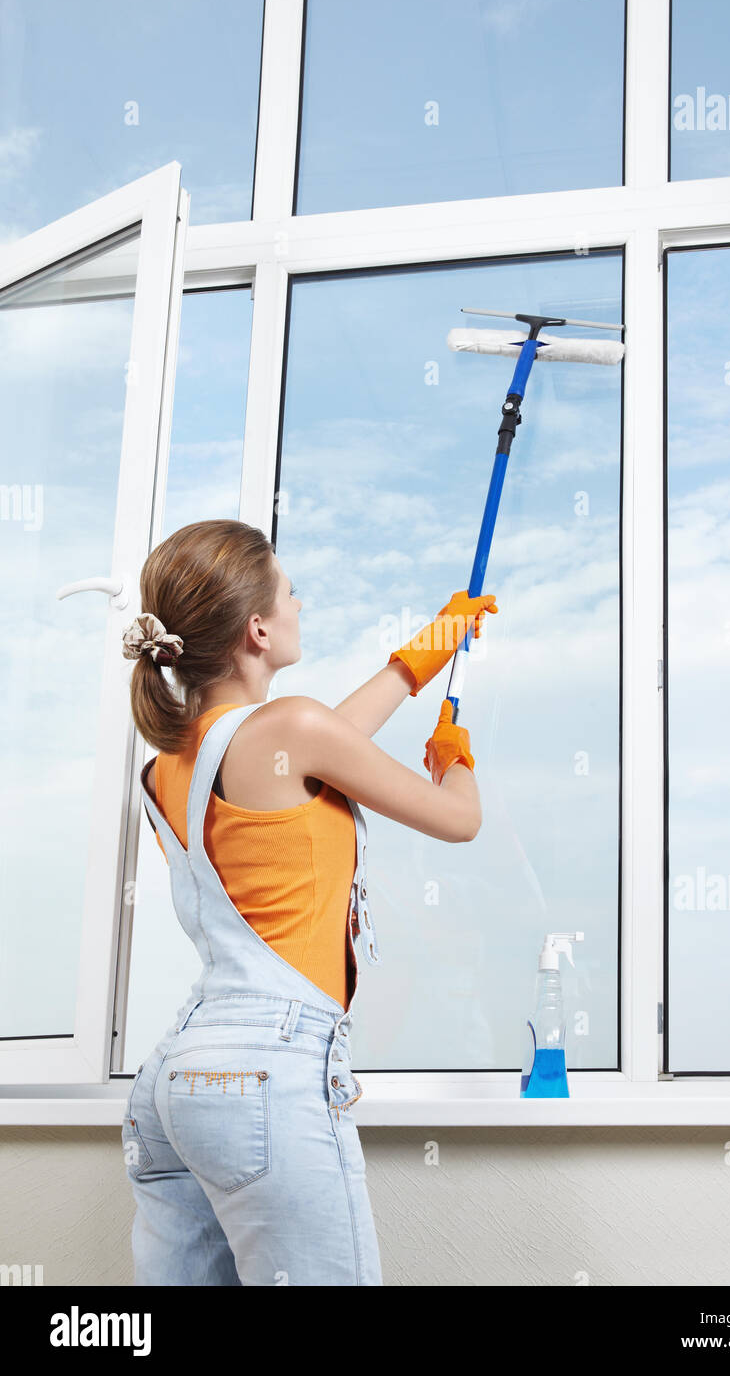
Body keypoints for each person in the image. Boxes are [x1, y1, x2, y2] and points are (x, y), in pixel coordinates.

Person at [119, 518, 497, 1286]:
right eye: (289, 591)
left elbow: (315, 746)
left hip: (178, 1084)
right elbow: (460, 821)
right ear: (258, 629)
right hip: (269, 1067)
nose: (301, 601)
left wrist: (424, 653)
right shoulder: (287, 731)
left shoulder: (169, 766)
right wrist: (456, 759)